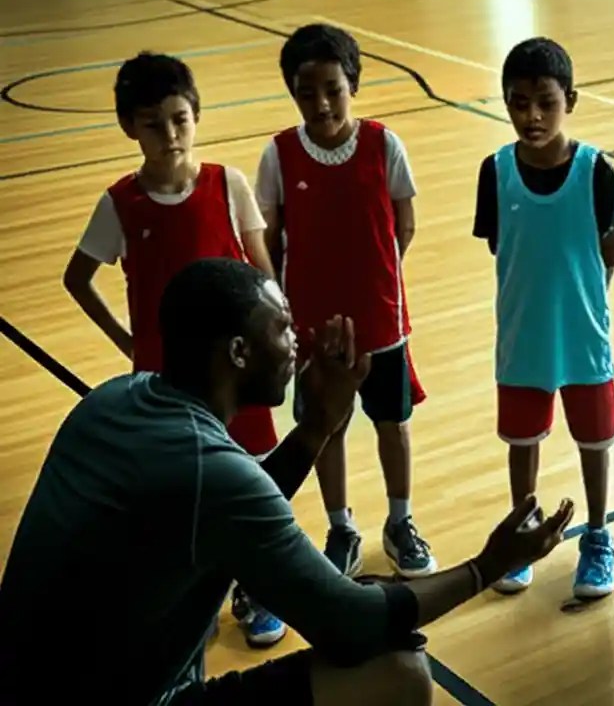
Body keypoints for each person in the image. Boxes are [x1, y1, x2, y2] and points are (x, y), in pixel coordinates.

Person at [0, 258, 574, 706]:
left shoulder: (115, 399)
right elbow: (351, 625)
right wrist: (486, 565)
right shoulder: (211, 471)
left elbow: (230, 509)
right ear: (239, 353)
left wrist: (317, 427)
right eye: (281, 327)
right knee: (397, 672)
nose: (296, 338)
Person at [60, 51, 287, 647]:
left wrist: (281, 341)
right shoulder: (121, 204)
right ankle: (192, 593)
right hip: (168, 382)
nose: (170, 135)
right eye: (153, 123)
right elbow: (77, 278)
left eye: (180, 119)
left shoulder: (227, 184)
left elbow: (265, 276)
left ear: (197, 116)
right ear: (129, 127)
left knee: (252, 482)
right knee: (182, 493)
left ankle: (256, 587)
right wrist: (128, 341)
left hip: (237, 378)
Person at [257, 23, 433, 580]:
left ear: (352, 83)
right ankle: (341, 525)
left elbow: (403, 224)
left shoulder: (385, 145)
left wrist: (373, 279)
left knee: (392, 424)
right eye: (306, 92)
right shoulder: (279, 153)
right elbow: (268, 233)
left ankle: (400, 521)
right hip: (312, 325)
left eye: (332, 88)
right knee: (326, 427)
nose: (321, 103)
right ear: (292, 93)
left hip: (382, 321)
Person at [471, 37, 614, 599]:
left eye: (546, 102)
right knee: (523, 441)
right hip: (522, 335)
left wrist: (582, 302)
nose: (532, 115)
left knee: (595, 443)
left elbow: (608, 252)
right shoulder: (495, 172)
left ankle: (599, 536)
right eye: (518, 102)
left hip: (584, 338)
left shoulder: (596, 171)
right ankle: (522, 531)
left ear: (571, 100)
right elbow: (501, 248)